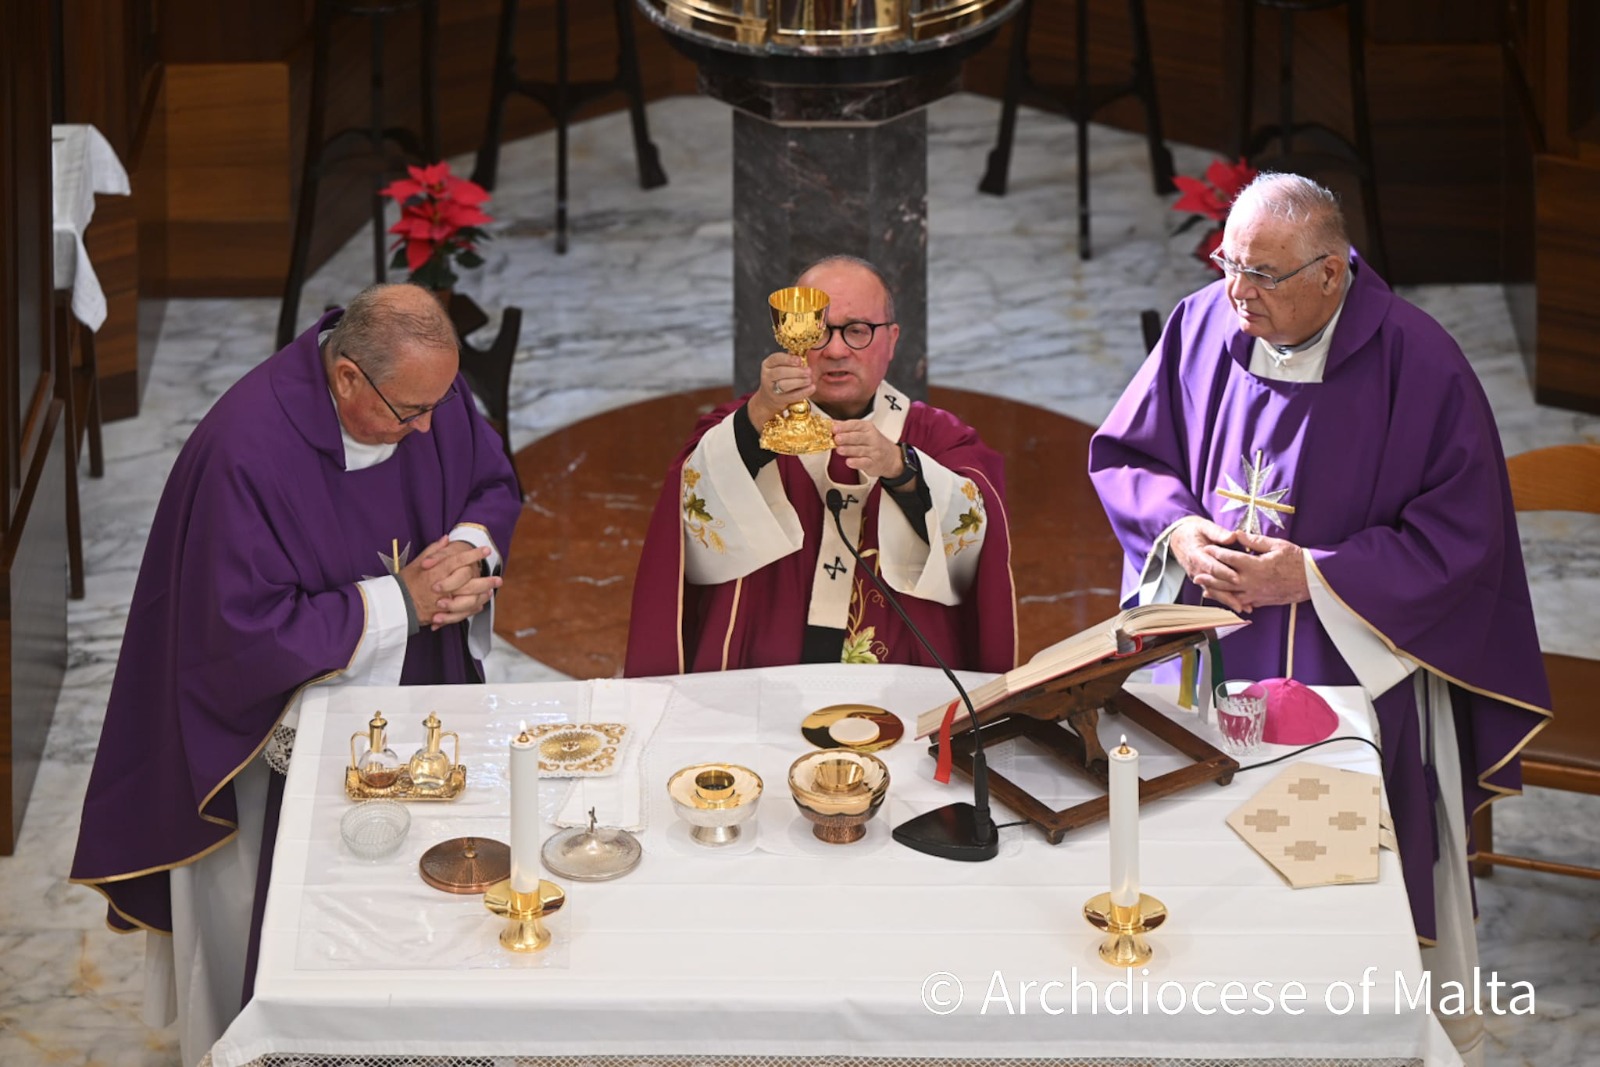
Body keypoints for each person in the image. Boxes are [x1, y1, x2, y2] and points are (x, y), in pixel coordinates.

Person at [1088, 173, 1549, 1065]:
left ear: (1332, 274)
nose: (1237, 294)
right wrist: (1179, 530)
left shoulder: (1423, 365)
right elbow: (1127, 455)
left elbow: (1461, 538)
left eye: (1262, 275)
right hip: (1202, 655)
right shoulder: (1199, 326)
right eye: (1230, 264)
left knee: (1329, 901)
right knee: (1198, 880)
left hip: (1353, 673)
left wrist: (1316, 575)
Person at [70, 283, 521, 1064]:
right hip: (273, 744)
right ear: (347, 376)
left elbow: (491, 478)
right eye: (411, 412)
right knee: (280, 926)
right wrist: (401, 601)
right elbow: (237, 636)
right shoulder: (244, 451)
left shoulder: (421, 392)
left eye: (437, 408)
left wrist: (469, 549)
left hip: (423, 699)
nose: (425, 431)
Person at [626, 255, 1016, 676]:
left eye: (857, 330)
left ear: (892, 339)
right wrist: (759, 414)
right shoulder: (749, 422)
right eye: (817, 331)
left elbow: (978, 524)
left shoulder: (937, 436)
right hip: (762, 663)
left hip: (899, 670)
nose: (834, 350)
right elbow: (689, 502)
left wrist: (901, 469)